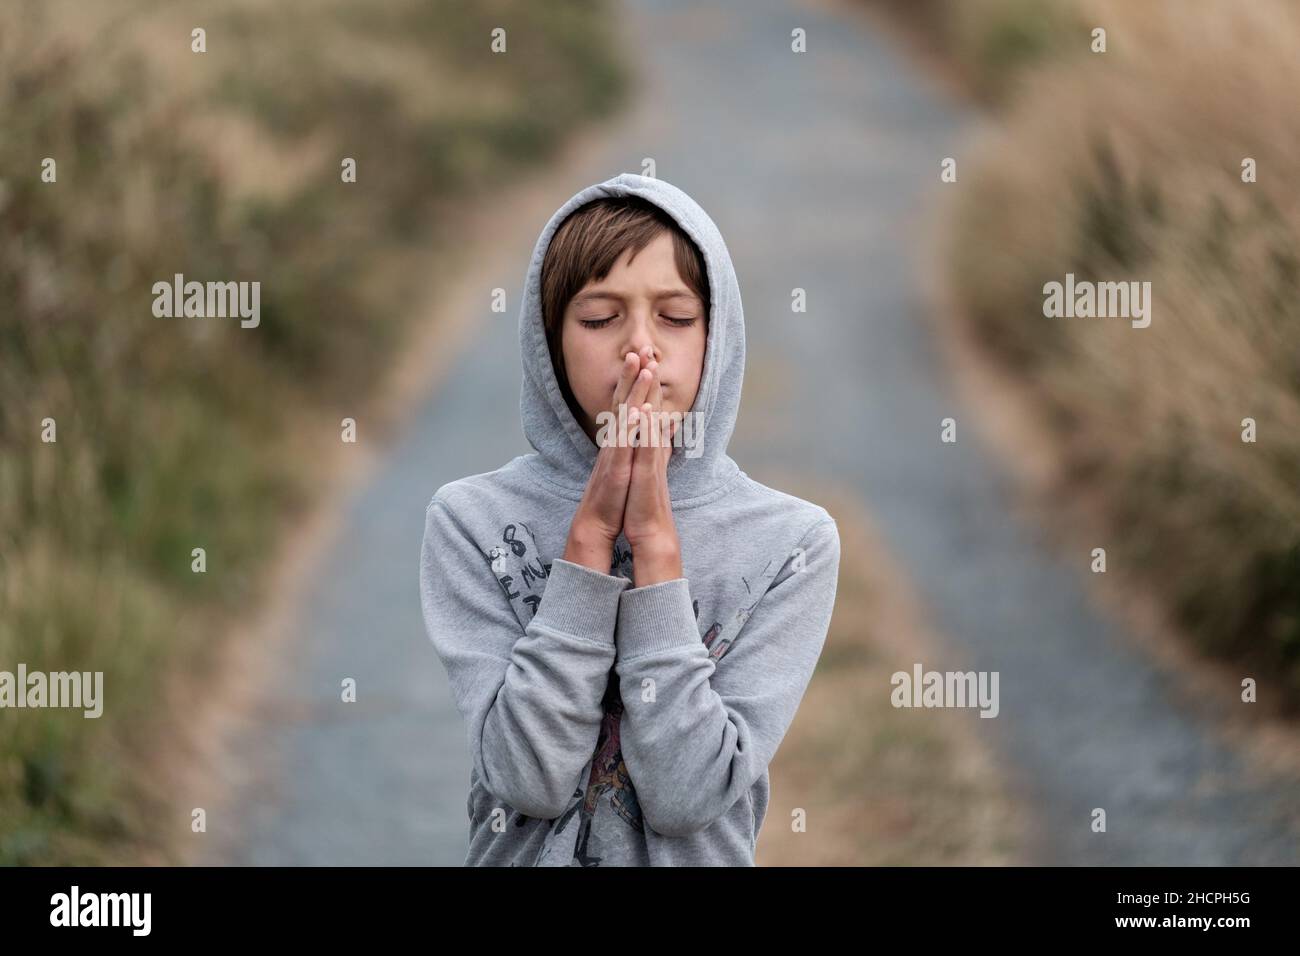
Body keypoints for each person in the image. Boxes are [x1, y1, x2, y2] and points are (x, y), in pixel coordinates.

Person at [419, 172, 840, 866]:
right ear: (548, 343)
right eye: (598, 318)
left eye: (675, 318)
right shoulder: (471, 522)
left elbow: (688, 795)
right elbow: (529, 778)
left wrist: (655, 549)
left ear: (717, 335)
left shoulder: (790, 544)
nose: (640, 350)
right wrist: (586, 545)